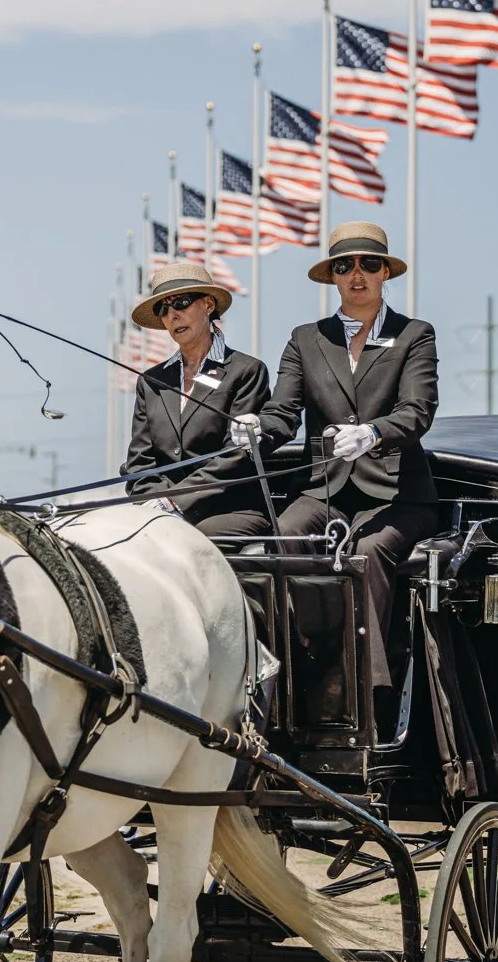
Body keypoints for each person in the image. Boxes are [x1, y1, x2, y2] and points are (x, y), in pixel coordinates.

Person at [232, 221, 439, 695]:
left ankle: (368, 690)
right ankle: (309, 661)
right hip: (324, 490)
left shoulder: (414, 335)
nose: (357, 274)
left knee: (368, 551)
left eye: (369, 264)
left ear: (385, 272)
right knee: (284, 534)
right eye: (344, 266)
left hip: (397, 495)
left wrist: (373, 433)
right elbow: (283, 413)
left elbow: (418, 409)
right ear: (333, 277)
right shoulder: (306, 339)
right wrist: (257, 428)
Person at [124, 259, 273, 540]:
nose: (172, 315)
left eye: (181, 303)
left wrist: (176, 501)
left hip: (229, 508)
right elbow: (140, 462)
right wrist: (152, 503)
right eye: (163, 309)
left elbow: (237, 456)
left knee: (190, 540)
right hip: (160, 512)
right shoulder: (151, 382)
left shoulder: (246, 371)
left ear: (208, 305)